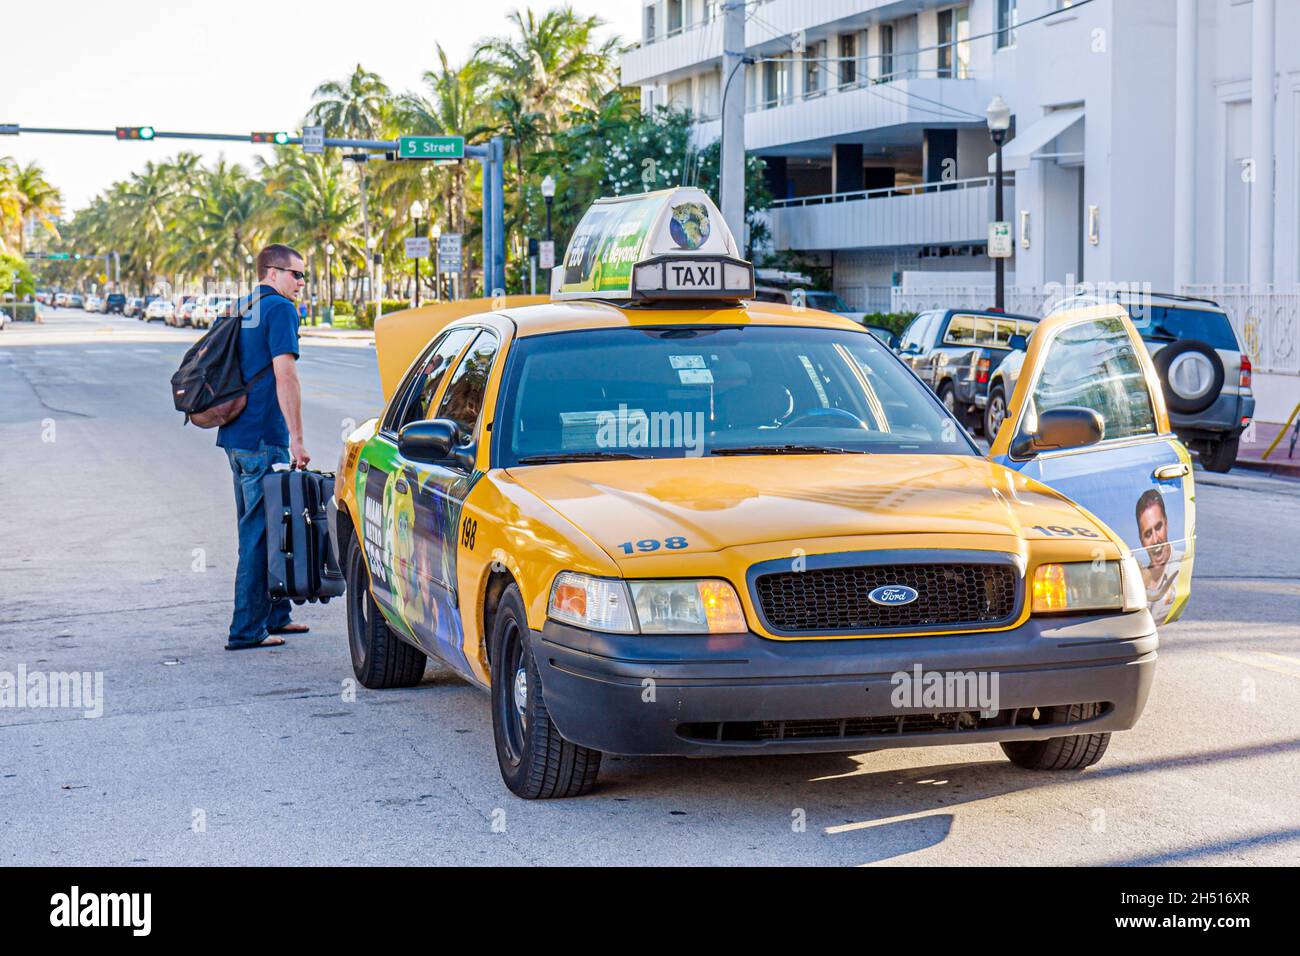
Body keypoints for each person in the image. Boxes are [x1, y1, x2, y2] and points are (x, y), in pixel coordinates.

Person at [217, 244, 312, 650]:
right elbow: (284, 375)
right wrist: (298, 438)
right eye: (296, 275)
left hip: (237, 435)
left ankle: (277, 615)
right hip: (261, 436)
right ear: (272, 273)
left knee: (270, 527)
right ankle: (246, 630)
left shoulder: (242, 305)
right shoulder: (280, 309)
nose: (301, 283)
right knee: (259, 532)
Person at [1136, 487, 1179, 624]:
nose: (1155, 540)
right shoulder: (1137, 578)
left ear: (1166, 524)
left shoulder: (1183, 567)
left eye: (1158, 527)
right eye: (1148, 534)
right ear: (1141, 540)